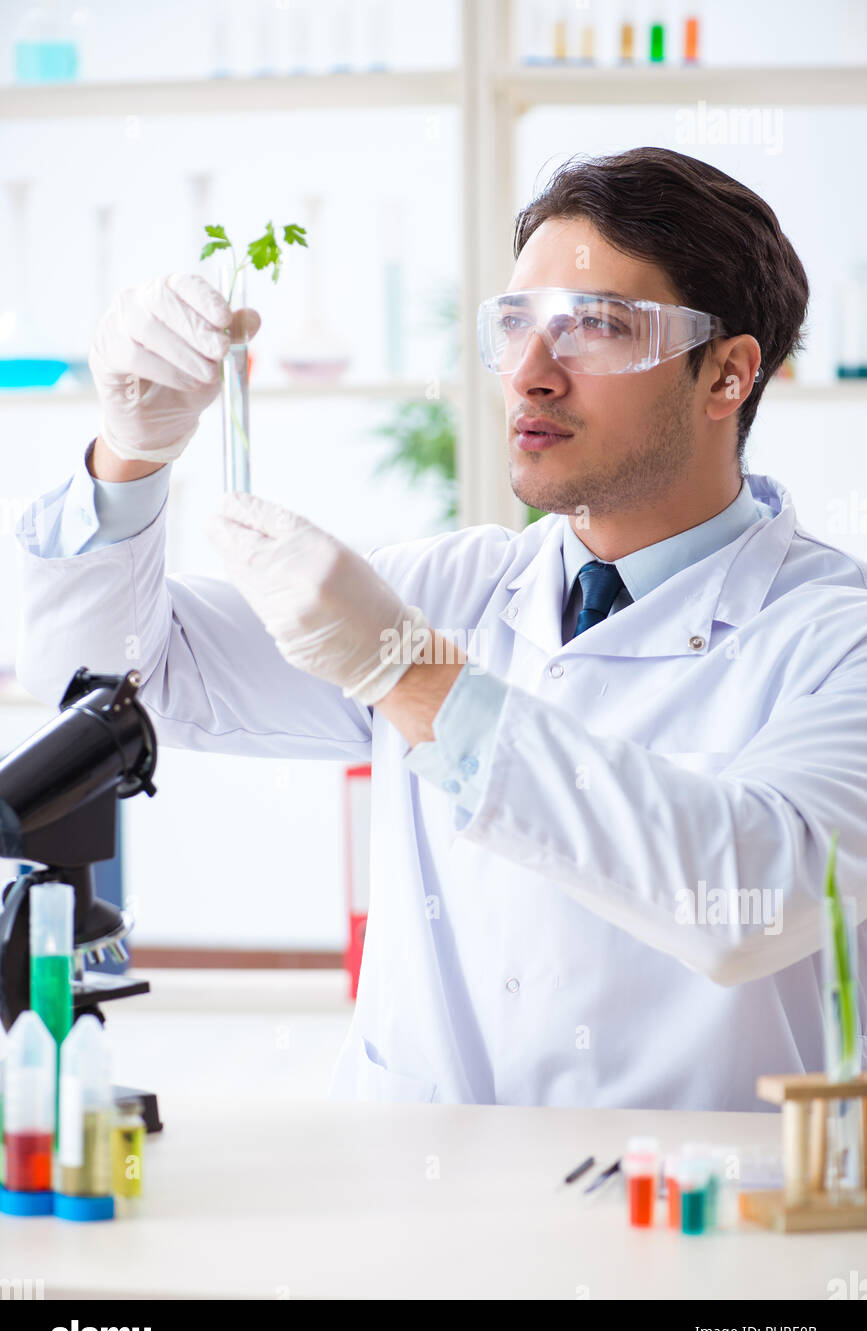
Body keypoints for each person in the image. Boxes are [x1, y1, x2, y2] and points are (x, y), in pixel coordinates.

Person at [14, 147, 867, 1109]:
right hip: (415, 1206)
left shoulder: (837, 637)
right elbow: (106, 680)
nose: (533, 375)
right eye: (515, 326)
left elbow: (753, 900)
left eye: (594, 327)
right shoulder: (452, 586)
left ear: (728, 374)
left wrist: (414, 675)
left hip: (690, 1220)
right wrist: (128, 453)